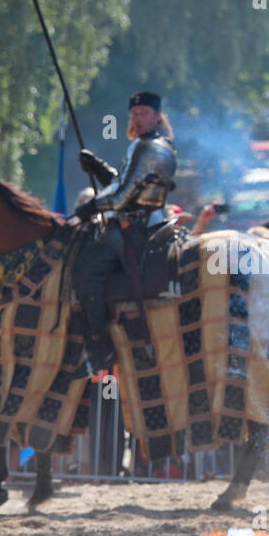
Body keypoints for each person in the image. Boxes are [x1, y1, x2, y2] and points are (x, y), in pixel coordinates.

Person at [72, 90, 177, 372]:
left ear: (157, 116)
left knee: (85, 270)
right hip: (140, 220)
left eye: (143, 114)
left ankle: (100, 347)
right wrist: (99, 169)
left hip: (136, 228)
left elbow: (121, 199)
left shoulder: (148, 147)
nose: (137, 119)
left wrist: (91, 207)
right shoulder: (151, 144)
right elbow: (127, 185)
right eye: (133, 115)